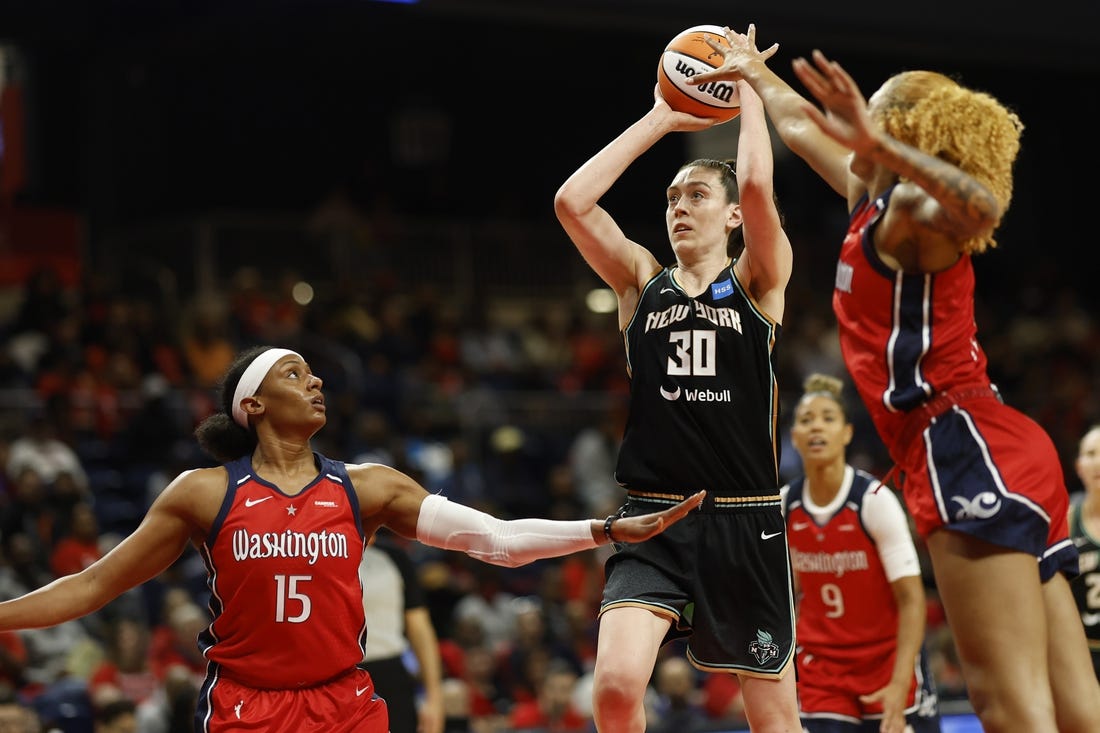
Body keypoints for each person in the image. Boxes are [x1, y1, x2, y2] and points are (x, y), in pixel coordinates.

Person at [686, 24, 1100, 732]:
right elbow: (795, 123)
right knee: (1074, 706)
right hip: (998, 442)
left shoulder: (912, 209)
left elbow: (984, 207)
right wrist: (753, 70)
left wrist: (886, 151)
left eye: (871, 114)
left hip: (959, 441)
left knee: (1009, 707)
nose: (855, 124)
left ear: (901, 133)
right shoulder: (868, 196)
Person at [0, 346, 703, 733]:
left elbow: (494, 539)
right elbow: (93, 585)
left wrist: (604, 529)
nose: (317, 380)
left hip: (345, 702)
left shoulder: (366, 487)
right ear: (251, 405)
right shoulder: (204, 492)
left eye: (313, 372)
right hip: (249, 706)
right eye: (294, 373)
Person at [553, 68, 799, 732]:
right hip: (653, 518)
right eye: (670, 198)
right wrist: (663, 118)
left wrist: (749, 88)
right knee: (613, 685)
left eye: (695, 194)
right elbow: (573, 203)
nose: (679, 206)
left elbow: (755, 181)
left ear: (732, 216)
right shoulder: (641, 283)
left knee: (774, 719)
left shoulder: (756, 281)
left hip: (744, 518)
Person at [781, 373, 940, 732]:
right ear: (794, 438)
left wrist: (899, 689)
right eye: (806, 420)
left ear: (847, 433)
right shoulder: (785, 505)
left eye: (827, 418)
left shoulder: (873, 501)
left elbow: (913, 600)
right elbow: (781, 594)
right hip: (822, 667)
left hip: (886, 661)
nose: (816, 427)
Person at [358, 528, 444, 733]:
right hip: (338, 678)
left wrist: (434, 697)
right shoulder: (319, 553)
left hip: (392, 676)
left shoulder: (394, 555)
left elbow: (420, 628)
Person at [1072, 425, 1100, 681]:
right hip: (1080, 655)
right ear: (1079, 466)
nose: (1098, 462)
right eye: (1091, 454)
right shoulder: (1066, 519)